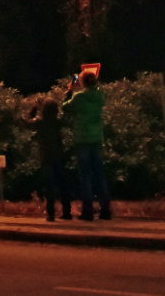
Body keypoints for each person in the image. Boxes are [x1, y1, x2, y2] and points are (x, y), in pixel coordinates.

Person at [62, 72, 112, 220]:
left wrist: (69, 91)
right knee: (99, 175)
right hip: (96, 139)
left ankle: (88, 211)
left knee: (86, 177)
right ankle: (105, 210)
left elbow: (65, 108)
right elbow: (100, 95)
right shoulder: (99, 96)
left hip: (83, 140)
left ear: (82, 82)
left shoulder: (79, 97)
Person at [26, 98, 73, 221]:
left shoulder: (40, 122)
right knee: (63, 185)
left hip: (46, 157)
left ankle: (51, 213)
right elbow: (68, 121)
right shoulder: (57, 122)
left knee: (49, 186)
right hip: (59, 155)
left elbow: (26, 123)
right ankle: (67, 212)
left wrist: (33, 111)